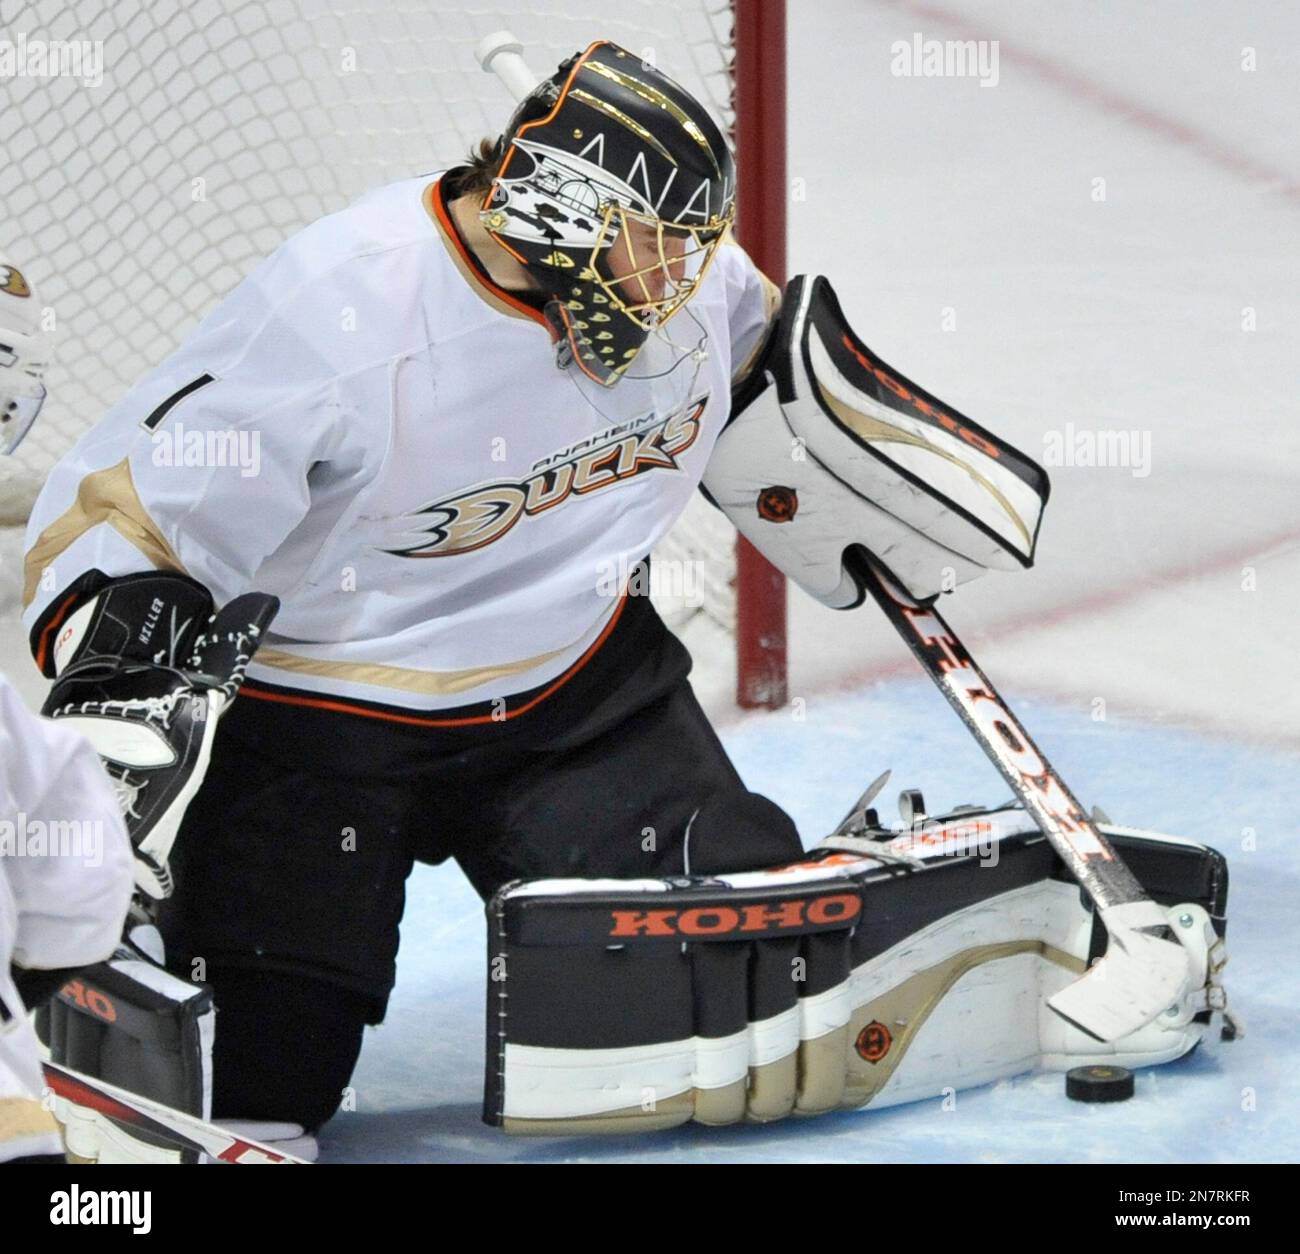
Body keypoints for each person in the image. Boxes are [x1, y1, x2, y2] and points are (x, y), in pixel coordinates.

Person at [20, 41, 801, 1140]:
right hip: (328, 728)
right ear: (559, 214)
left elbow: (782, 394)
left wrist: (863, 472)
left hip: (574, 693)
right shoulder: (340, 311)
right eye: (652, 245)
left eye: (691, 245)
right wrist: (125, 667)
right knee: (256, 1088)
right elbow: (121, 516)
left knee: (730, 984)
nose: (683, 278)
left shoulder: (696, 293)